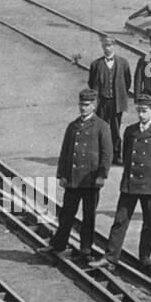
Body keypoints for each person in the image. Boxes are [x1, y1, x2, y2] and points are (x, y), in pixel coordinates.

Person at [42, 89, 113, 262]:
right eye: (81, 104)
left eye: (87, 105)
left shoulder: (101, 126)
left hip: (90, 180)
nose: (83, 108)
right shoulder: (73, 126)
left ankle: (86, 249)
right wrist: (62, 175)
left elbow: (107, 153)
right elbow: (65, 151)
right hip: (73, 179)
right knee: (66, 213)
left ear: (94, 106)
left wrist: (102, 175)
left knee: (88, 216)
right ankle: (59, 243)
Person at [101, 94, 151, 270]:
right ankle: (110, 257)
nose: (141, 114)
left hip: (150, 184)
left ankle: (144, 257)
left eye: (144, 111)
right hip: (130, 184)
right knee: (120, 220)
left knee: (149, 222)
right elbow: (126, 155)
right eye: (138, 110)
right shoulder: (130, 131)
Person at [88, 35, 132, 160]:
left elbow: (127, 81)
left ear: (114, 46)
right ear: (102, 47)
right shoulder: (96, 64)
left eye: (110, 45)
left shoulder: (123, 63)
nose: (107, 48)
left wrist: (119, 94)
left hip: (116, 102)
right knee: (100, 128)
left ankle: (117, 154)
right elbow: (91, 83)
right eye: (105, 45)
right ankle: (101, 155)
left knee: (115, 128)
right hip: (102, 101)